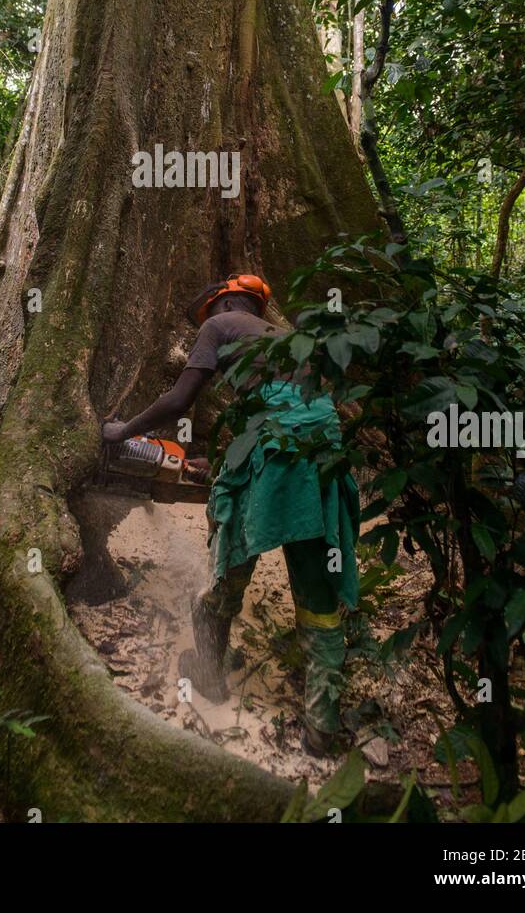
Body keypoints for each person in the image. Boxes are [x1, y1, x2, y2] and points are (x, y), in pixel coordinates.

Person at [101, 273, 360, 756]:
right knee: (318, 596)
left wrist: (122, 431)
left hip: (270, 459)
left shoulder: (221, 326)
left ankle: (209, 675)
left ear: (226, 302)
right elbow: (278, 414)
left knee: (224, 577)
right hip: (323, 456)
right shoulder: (284, 340)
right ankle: (323, 727)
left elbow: (180, 400)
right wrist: (221, 462)